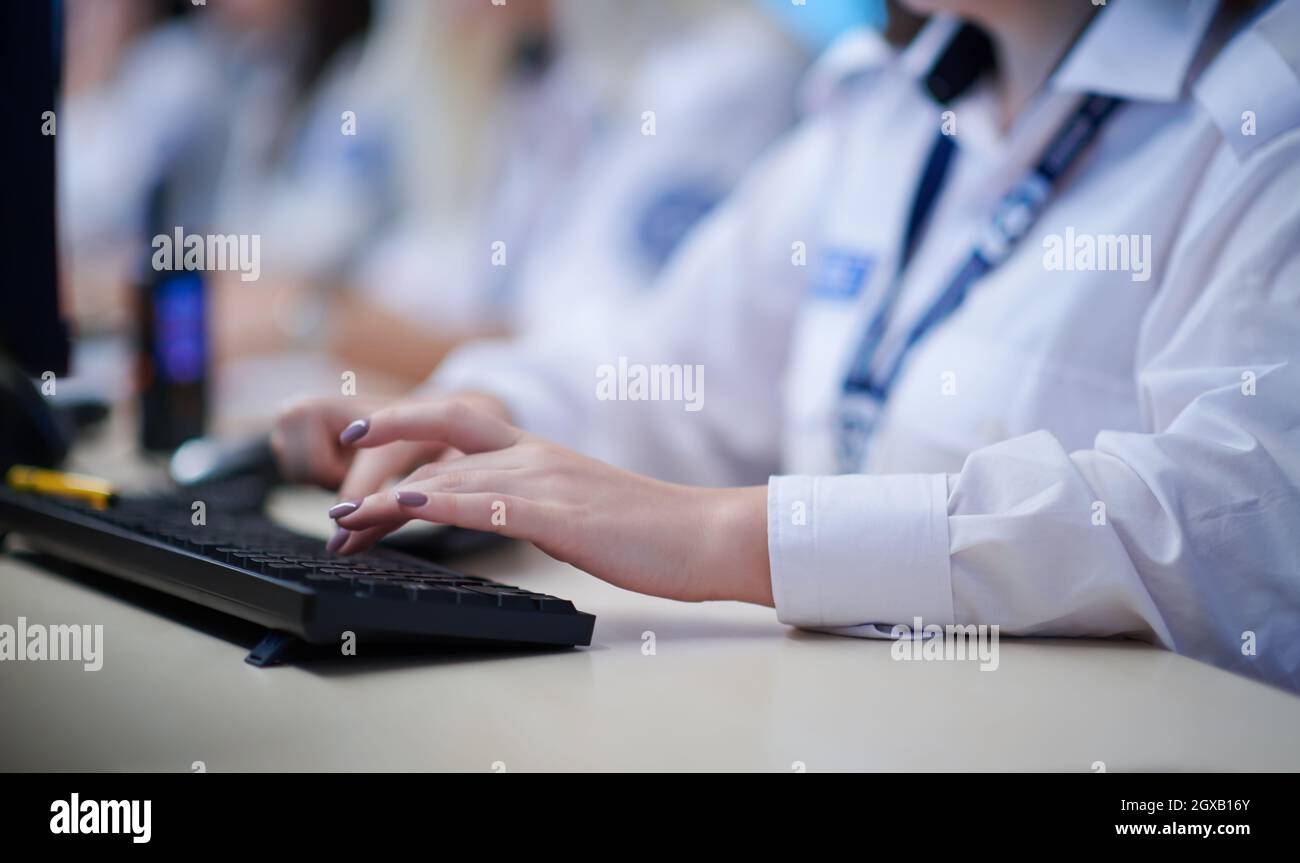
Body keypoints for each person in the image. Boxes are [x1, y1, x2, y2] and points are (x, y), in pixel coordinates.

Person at [272, 0, 1300, 691]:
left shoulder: (1268, 113)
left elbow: (1243, 526)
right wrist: (487, 420)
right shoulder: (887, 111)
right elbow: (671, 367)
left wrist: (736, 536)